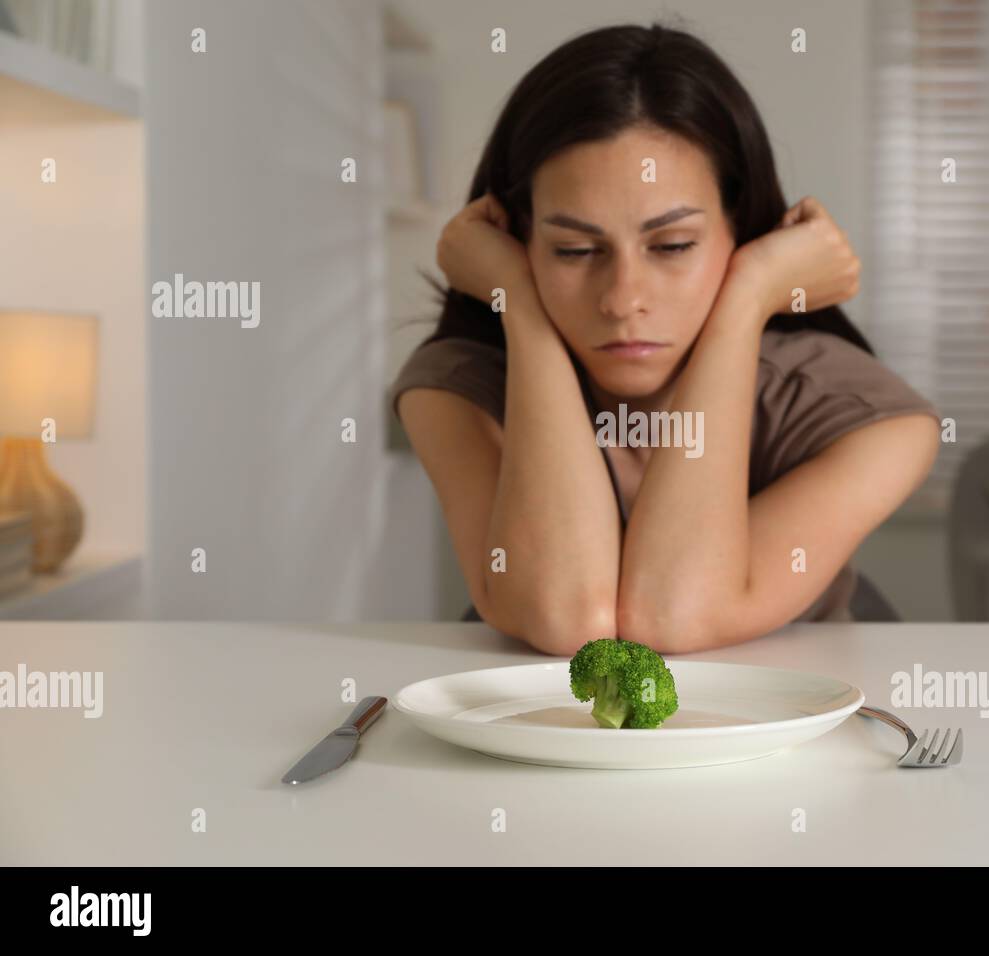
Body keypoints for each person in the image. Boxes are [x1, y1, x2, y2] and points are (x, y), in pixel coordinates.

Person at [388, 22, 940, 656]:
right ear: (518, 241)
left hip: (797, 734)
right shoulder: (456, 389)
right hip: (537, 737)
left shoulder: (873, 423)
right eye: (574, 250)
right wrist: (524, 313)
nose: (624, 300)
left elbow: (670, 617)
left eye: (673, 246)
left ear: (741, 228)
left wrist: (748, 297)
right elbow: (569, 620)